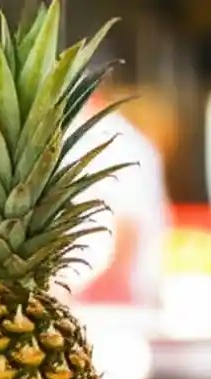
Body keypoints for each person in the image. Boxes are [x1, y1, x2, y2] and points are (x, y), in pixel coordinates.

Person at [57, 59, 172, 309]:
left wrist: (107, 283)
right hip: (92, 297)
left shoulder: (115, 140)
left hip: (114, 301)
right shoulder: (101, 137)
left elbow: (130, 221)